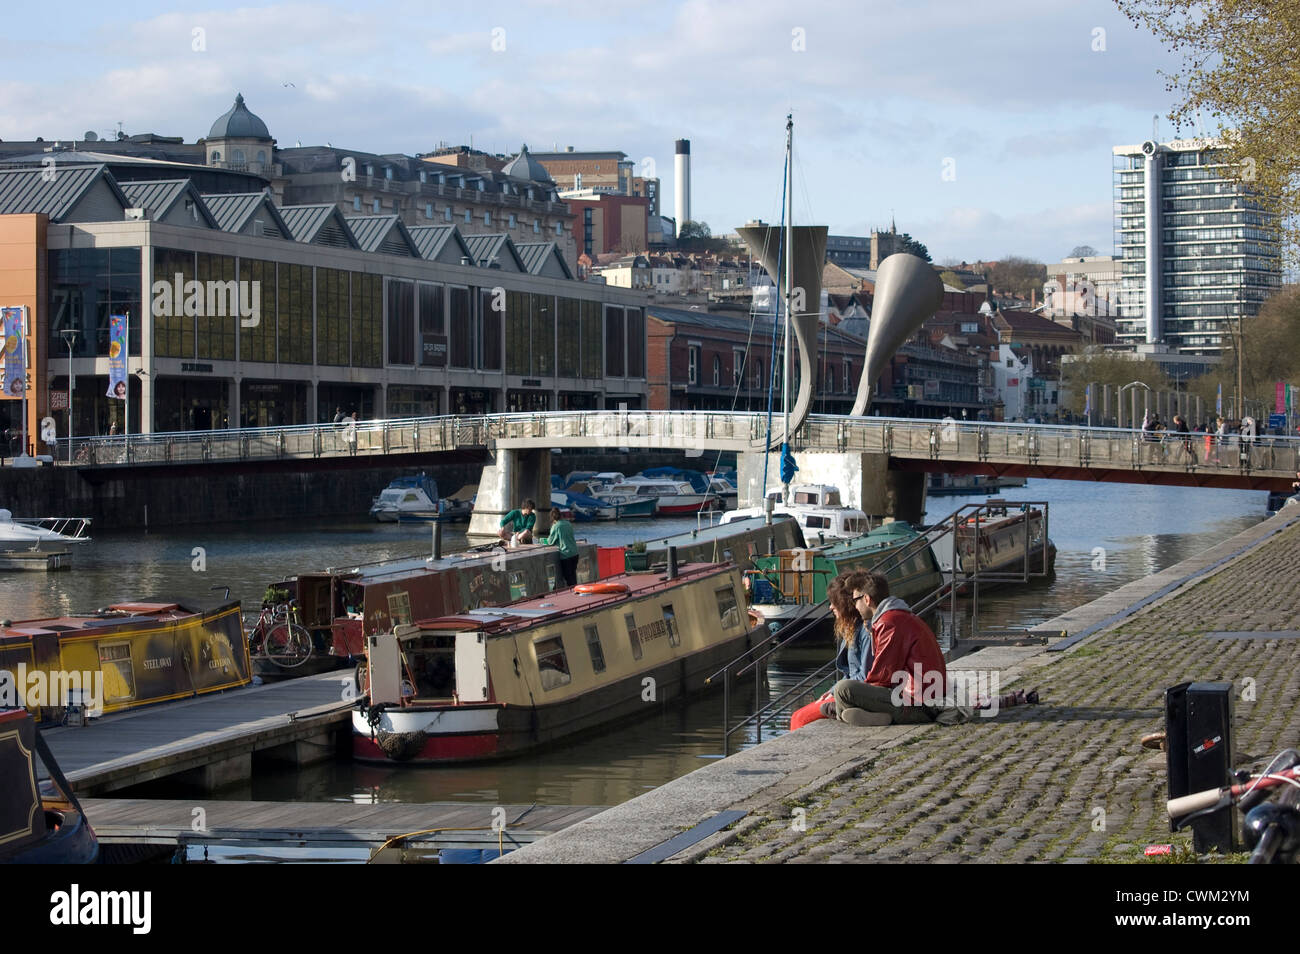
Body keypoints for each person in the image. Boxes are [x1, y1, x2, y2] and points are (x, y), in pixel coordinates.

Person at [830, 572, 947, 726]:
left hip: (918, 706)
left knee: (843, 689)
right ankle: (866, 715)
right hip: (919, 699)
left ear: (866, 599)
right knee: (843, 696)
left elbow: (882, 677)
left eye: (855, 600)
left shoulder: (889, 622)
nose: (855, 606)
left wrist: (858, 695)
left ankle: (853, 714)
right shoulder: (897, 616)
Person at [789, 572, 870, 731]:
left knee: (799, 718)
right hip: (847, 690)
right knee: (799, 715)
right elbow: (851, 674)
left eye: (834, 602)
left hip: (856, 694)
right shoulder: (851, 629)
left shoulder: (865, 632)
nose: (831, 607)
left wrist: (836, 692)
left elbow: (866, 675)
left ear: (845, 603)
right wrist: (831, 690)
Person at [542, 507, 580, 587]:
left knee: (568, 578)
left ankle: (573, 595)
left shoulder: (556, 526)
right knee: (573, 576)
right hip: (575, 553)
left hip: (566, 555)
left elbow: (550, 542)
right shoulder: (568, 523)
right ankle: (576, 591)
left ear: (552, 518)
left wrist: (541, 540)